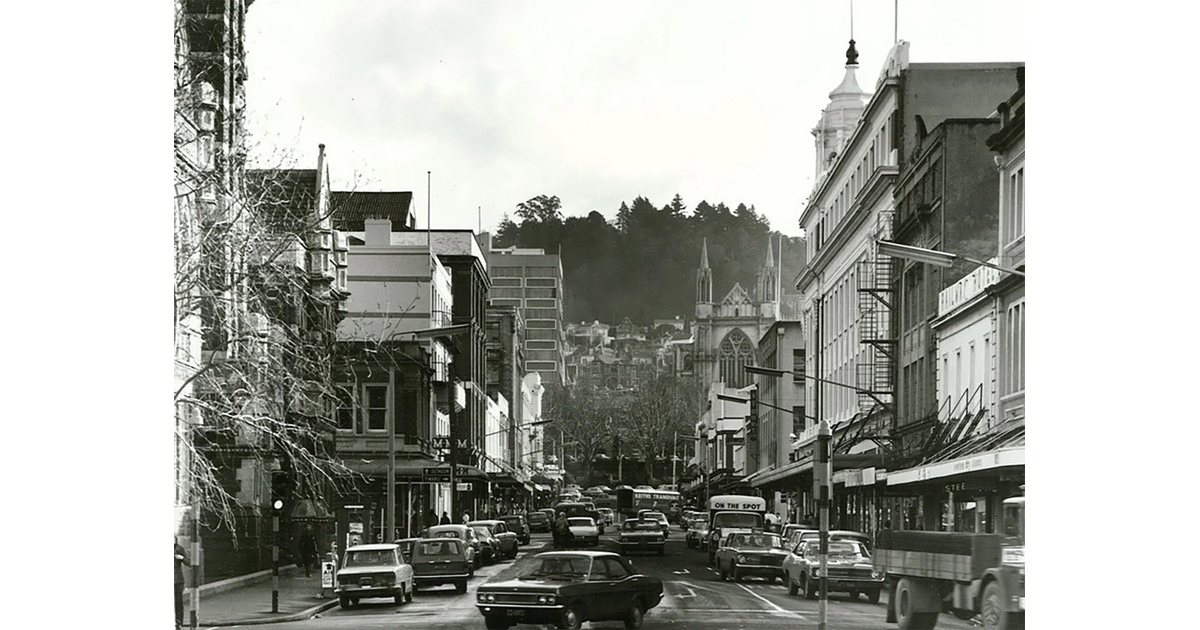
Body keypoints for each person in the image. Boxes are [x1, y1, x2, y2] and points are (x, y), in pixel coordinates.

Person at [174, 538, 191, 630]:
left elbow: (189, 562)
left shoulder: (179, 549)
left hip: (177, 580)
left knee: (178, 601)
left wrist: (182, 558)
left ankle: (179, 622)